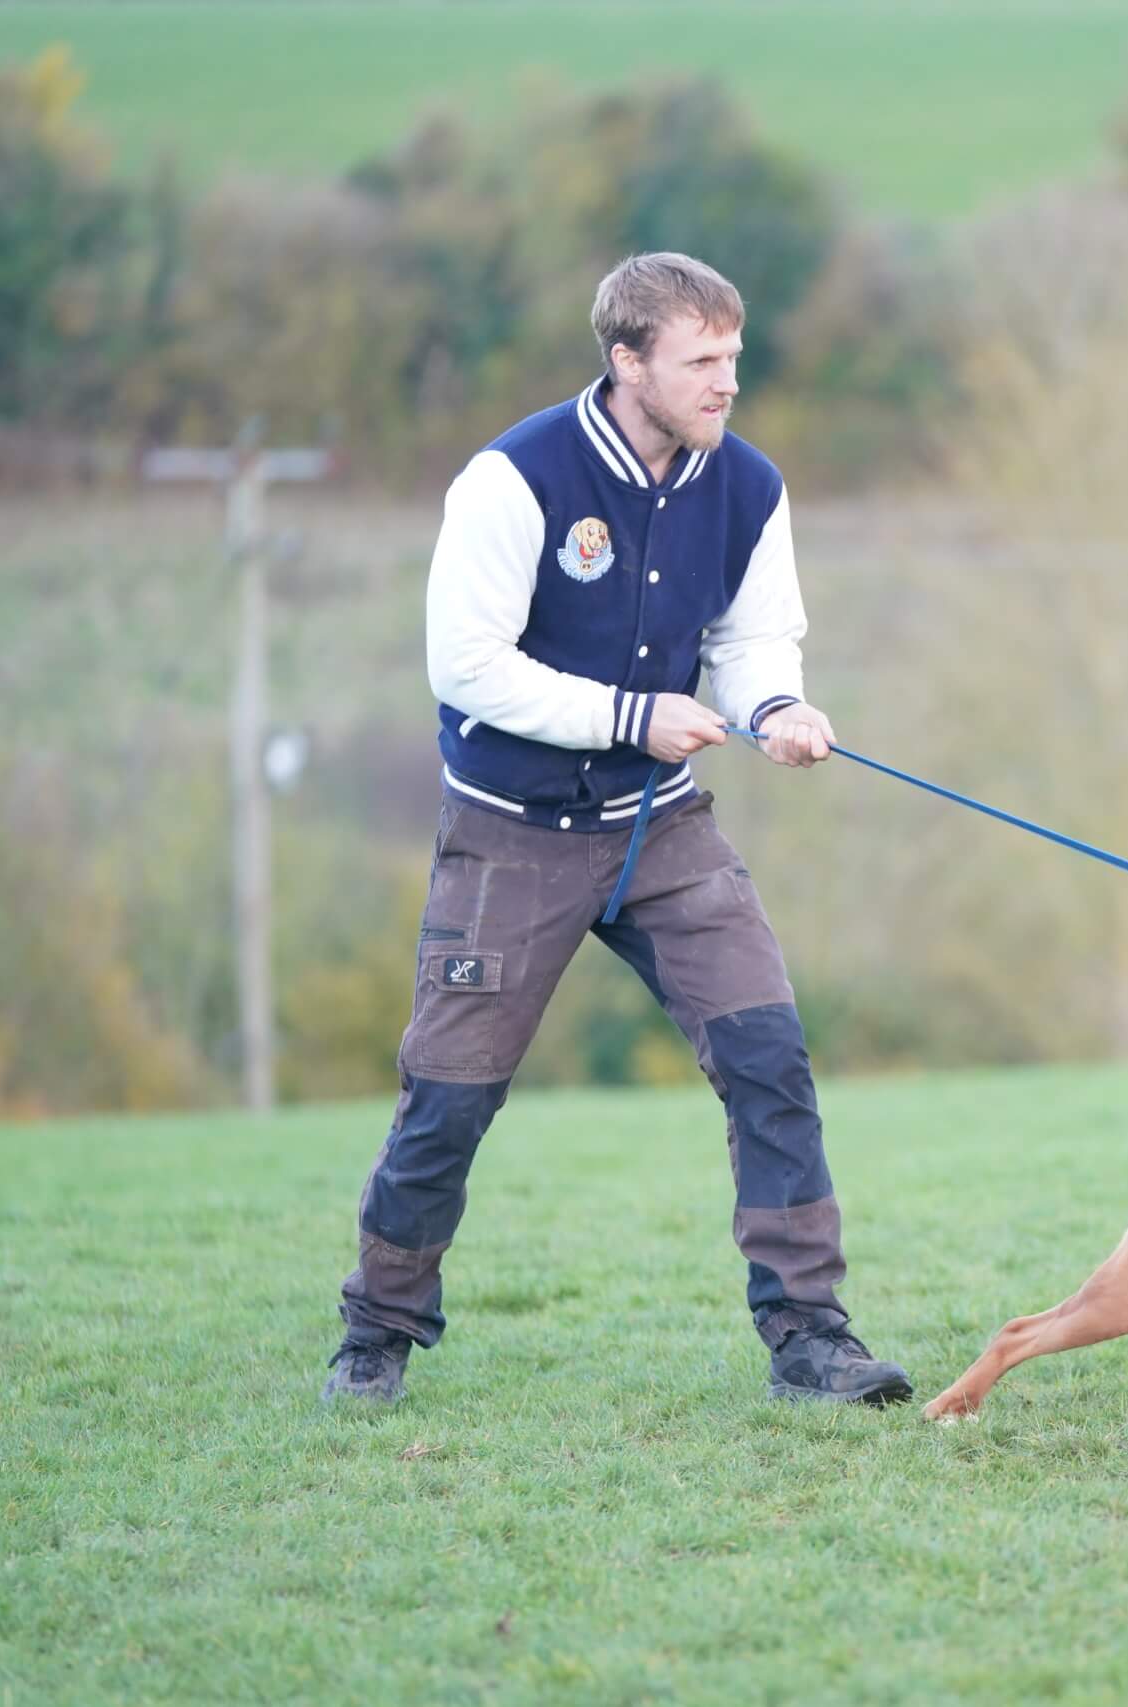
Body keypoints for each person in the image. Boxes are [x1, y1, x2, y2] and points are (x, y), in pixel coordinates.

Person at [321, 252, 912, 1406]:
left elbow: (749, 644)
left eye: (733, 358)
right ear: (625, 359)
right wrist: (631, 715)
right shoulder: (511, 479)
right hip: (511, 834)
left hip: (664, 830)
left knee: (768, 1060)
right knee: (447, 1097)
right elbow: (468, 667)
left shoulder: (747, 484)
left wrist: (776, 706)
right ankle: (375, 1333)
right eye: (700, 360)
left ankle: (810, 1339)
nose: (725, 382)